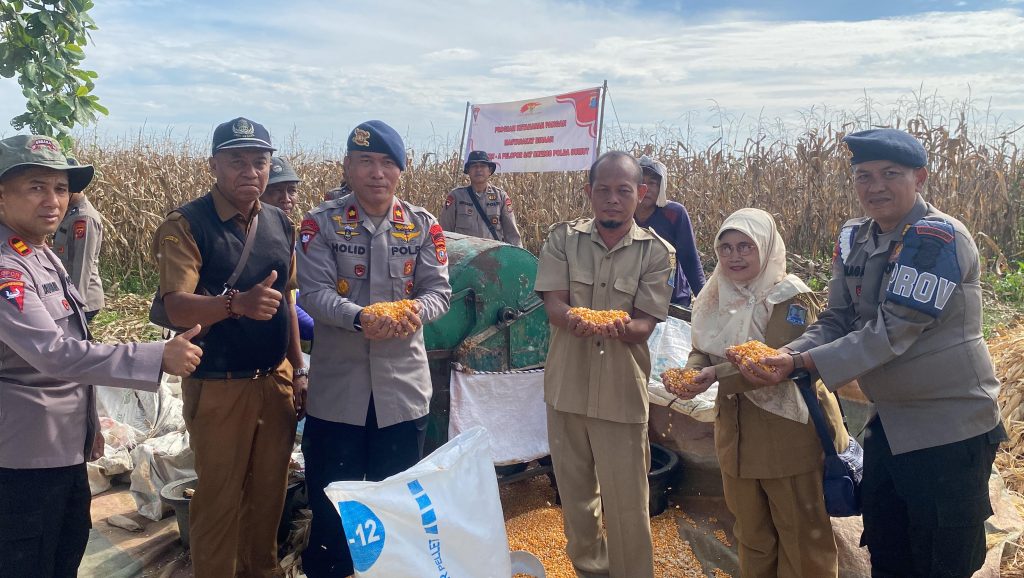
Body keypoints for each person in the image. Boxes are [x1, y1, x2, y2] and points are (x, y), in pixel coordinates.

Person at [738, 128, 1006, 577]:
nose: (875, 186)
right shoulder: (855, 238)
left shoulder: (936, 239)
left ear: (919, 178)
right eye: (864, 176)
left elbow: (891, 332)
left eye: (890, 174)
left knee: (941, 556)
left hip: (949, 426)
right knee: (886, 545)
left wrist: (801, 365)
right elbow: (837, 318)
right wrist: (784, 354)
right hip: (892, 424)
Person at [0, 134, 202, 578]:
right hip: (22, 457)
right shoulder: (6, 267)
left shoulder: (36, 252)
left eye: (59, 188)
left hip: (58, 447)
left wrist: (88, 430)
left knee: (62, 554)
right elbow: (53, 354)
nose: (53, 200)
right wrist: (155, 357)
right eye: (36, 187)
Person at [151, 117, 308, 578]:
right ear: (214, 165)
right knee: (219, 501)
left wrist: (298, 369)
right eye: (236, 161)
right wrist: (236, 304)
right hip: (219, 385)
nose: (250, 172)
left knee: (268, 497)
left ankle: (262, 570)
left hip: (273, 380)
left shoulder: (280, 222)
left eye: (259, 161)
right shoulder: (188, 224)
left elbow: (288, 301)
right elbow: (176, 306)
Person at [296, 120, 451, 577]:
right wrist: (360, 318)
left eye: (387, 163)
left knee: (395, 506)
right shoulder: (320, 224)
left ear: (400, 171)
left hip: (401, 395)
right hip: (337, 395)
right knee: (333, 506)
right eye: (365, 161)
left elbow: (438, 293)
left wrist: (409, 313)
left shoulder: (423, 226)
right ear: (348, 166)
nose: (377, 173)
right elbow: (314, 293)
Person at [671, 208, 848, 576]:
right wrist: (691, 371)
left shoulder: (790, 297)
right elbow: (703, 346)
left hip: (786, 431)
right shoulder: (715, 293)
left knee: (802, 537)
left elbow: (776, 362)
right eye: (726, 248)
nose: (734, 257)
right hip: (735, 433)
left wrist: (712, 374)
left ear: (765, 248)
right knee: (751, 535)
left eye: (745, 247)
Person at [534, 151, 673, 578]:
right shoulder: (563, 239)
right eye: (603, 190)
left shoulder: (656, 252)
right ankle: (591, 571)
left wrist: (620, 326)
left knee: (627, 500)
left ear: (641, 194)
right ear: (588, 192)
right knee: (575, 497)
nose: (612, 199)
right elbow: (554, 304)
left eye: (623, 191)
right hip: (567, 390)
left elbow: (645, 324)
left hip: (621, 392)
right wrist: (573, 317)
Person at [634, 155, 705, 306]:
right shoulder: (623, 214)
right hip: (634, 295)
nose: (646, 189)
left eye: (652, 183)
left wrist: (705, 301)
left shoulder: (674, 213)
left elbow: (690, 259)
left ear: (661, 187)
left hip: (672, 297)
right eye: (641, 183)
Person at [261, 156, 314, 341]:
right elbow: (283, 301)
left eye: (291, 191)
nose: (286, 199)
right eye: (275, 191)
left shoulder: (288, 231)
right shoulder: (259, 236)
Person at [52, 160, 105, 321]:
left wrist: (75, 307)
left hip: (83, 300)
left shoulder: (83, 218)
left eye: (61, 189)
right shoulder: (71, 213)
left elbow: (82, 265)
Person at [439, 149, 523, 246]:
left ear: (489, 171)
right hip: (464, 257)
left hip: (493, 257)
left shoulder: (501, 197)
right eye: (474, 166)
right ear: (468, 171)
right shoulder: (456, 197)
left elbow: (512, 234)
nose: (478, 169)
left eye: (482, 166)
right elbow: (445, 232)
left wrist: (518, 258)